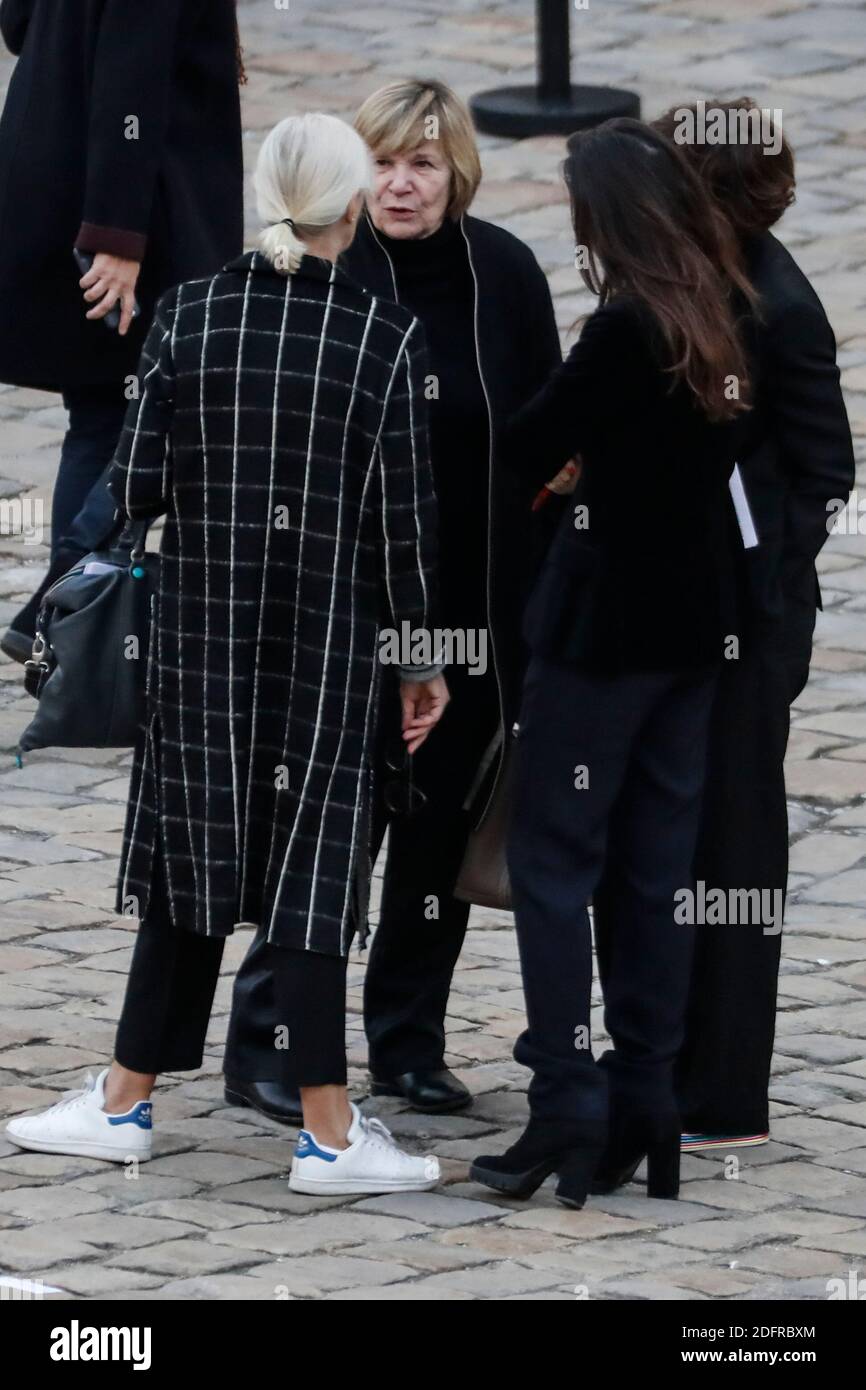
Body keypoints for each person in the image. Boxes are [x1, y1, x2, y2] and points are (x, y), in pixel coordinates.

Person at [5, 113, 450, 1196]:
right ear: (352, 209)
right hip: (327, 645)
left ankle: (125, 1100)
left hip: (202, 637)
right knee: (309, 873)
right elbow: (405, 532)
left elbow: (139, 481)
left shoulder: (190, 316)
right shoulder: (382, 338)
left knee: (188, 869)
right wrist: (422, 666)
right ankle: (328, 1136)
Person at [223, 78, 563, 1123]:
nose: (400, 184)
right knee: (321, 831)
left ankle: (406, 1043)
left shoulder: (499, 271)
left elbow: (544, 433)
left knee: (433, 838)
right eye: (380, 162)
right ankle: (271, 1041)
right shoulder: (314, 267)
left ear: (455, 171)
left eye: (421, 163)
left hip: (470, 612)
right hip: (342, 607)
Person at [470, 119, 756, 1208]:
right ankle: (644, 1093)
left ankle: (563, 1102)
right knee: (649, 870)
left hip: (599, 645)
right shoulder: (724, 318)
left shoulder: (622, 330)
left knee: (553, 868)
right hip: (690, 640)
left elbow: (525, 447)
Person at [649, 99, 856, 1151]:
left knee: (729, 850)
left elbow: (825, 473)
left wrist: (752, 577)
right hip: (685, 617)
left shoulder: (778, 304)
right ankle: (661, 1051)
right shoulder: (698, 282)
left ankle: (721, 1092)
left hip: (747, 627)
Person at [0, 0, 244, 661]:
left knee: (106, 414)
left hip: (58, 177)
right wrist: (116, 235)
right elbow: (128, 76)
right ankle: (63, 603)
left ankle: (64, 620)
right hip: (135, 207)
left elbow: (17, 23)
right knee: (167, 416)